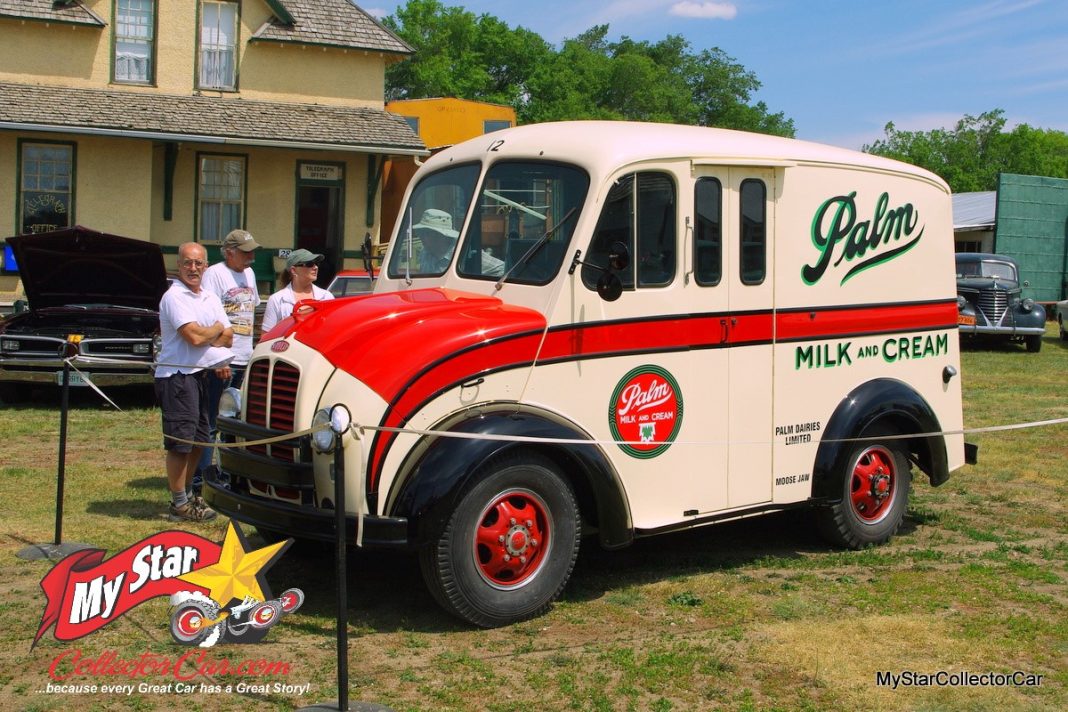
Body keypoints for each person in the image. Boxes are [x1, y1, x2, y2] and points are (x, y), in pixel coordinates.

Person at [155, 242, 233, 522]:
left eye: (198, 263)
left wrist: (209, 333)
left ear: (206, 266)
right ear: (178, 265)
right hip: (177, 377)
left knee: (200, 439)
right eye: (187, 262)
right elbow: (195, 337)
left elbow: (229, 337)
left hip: (201, 375)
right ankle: (179, 504)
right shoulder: (174, 297)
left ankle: (187, 496)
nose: (193, 268)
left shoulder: (209, 297)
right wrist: (215, 329)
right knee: (181, 443)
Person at [194, 229, 261, 495]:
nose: (251, 256)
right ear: (230, 252)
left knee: (235, 422)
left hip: (245, 357)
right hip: (223, 360)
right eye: (246, 252)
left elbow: (252, 311)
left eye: (252, 251)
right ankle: (201, 478)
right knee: (212, 420)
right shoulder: (215, 274)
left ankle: (230, 473)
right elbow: (209, 318)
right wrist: (218, 358)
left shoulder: (249, 274)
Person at [261, 248, 335, 334]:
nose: (315, 267)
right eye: (309, 264)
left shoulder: (327, 297)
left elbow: (333, 330)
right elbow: (266, 336)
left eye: (316, 264)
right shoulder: (277, 299)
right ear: (293, 270)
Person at [414, 208, 503, 276]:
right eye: (420, 233)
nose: (421, 237)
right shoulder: (425, 253)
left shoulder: (464, 254)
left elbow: (501, 268)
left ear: (441, 236)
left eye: (426, 233)